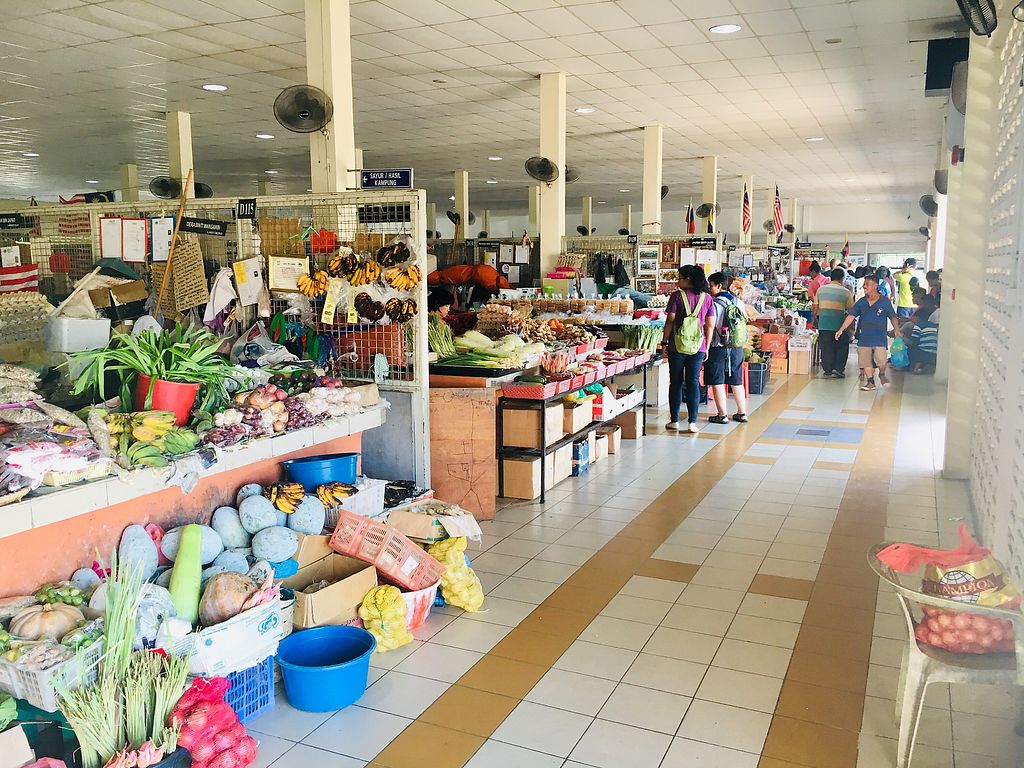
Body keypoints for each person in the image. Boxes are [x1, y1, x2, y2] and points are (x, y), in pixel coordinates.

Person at [661, 265, 715, 433]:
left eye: (680, 278)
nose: (677, 281)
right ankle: (692, 422)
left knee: (675, 382)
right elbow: (710, 324)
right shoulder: (707, 298)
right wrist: (706, 347)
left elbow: (670, 320)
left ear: (688, 280)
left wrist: (664, 343)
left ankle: (674, 420)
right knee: (693, 383)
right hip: (698, 347)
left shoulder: (677, 297)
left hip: (677, 346)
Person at [835, 274, 900, 392]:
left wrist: (897, 330)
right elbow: (851, 316)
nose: (864, 287)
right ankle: (870, 382)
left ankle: (882, 374)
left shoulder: (884, 302)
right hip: (865, 337)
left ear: (875, 285)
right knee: (865, 361)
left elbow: (893, 317)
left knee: (881, 361)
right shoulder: (862, 302)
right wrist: (841, 329)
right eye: (864, 284)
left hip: (879, 338)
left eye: (867, 284)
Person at [705, 273, 748, 424]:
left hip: (718, 347)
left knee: (717, 379)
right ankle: (742, 413)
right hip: (736, 347)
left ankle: (722, 415)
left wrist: (707, 347)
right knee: (737, 380)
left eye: (711, 285)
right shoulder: (738, 302)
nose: (709, 289)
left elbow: (710, 326)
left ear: (718, 286)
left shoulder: (714, 304)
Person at [813, 267, 854, 378]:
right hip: (839, 325)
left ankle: (828, 369)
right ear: (842, 279)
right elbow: (851, 311)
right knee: (841, 346)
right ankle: (839, 369)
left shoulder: (821, 290)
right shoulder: (846, 292)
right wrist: (851, 328)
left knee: (826, 347)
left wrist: (815, 320)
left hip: (824, 324)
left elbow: (815, 307)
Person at [908, 299, 939, 374]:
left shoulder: (918, 326)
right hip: (935, 355)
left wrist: (903, 338)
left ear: (918, 318)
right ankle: (922, 366)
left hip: (923, 354)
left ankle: (914, 367)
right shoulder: (933, 325)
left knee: (910, 349)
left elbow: (914, 342)